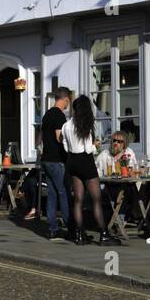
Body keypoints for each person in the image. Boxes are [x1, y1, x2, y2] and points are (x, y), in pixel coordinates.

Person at [63, 95, 115, 245]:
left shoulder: (66, 125)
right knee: (96, 199)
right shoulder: (85, 125)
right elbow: (87, 149)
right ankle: (104, 234)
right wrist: (96, 145)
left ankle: (79, 235)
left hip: (72, 161)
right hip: (85, 161)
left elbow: (66, 146)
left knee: (78, 200)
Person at [39, 87, 72, 240]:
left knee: (52, 194)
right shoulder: (59, 115)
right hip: (56, 160)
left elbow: (40, 138)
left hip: (46, 159)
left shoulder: (46, 114)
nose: (68, 104)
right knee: (63, 193)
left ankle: (52, 229)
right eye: (68, 101)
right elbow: (59, 137)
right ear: (65, 99)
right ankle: (70, 226)